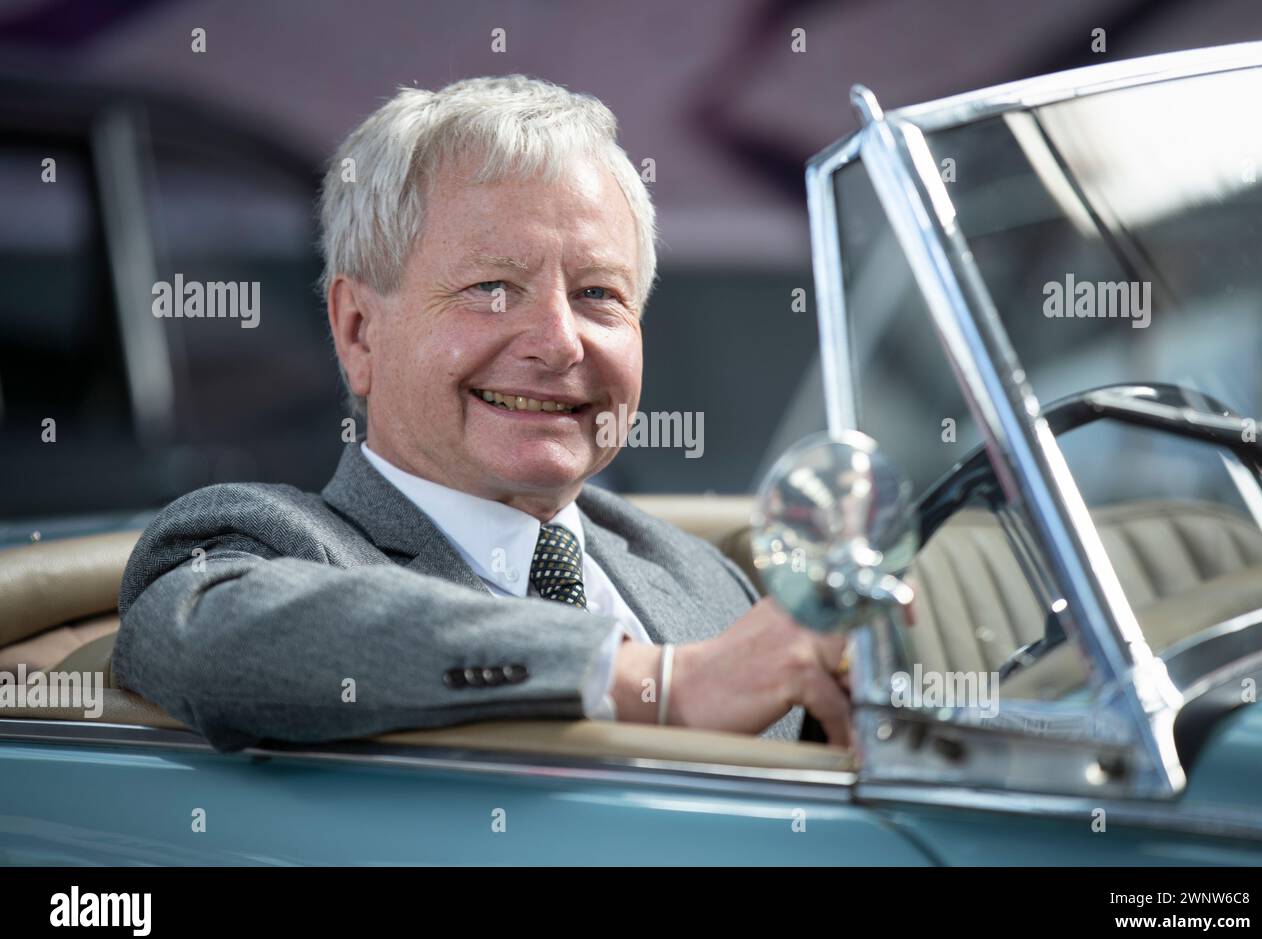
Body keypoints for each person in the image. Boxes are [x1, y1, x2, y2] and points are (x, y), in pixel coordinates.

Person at [113, 75, 852, 753]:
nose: (560, 343)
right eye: (493, 288)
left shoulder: (701, 578)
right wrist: (659, 687)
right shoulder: (258, 547)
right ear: (358, 331)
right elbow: (205, 636)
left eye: (599, 294)